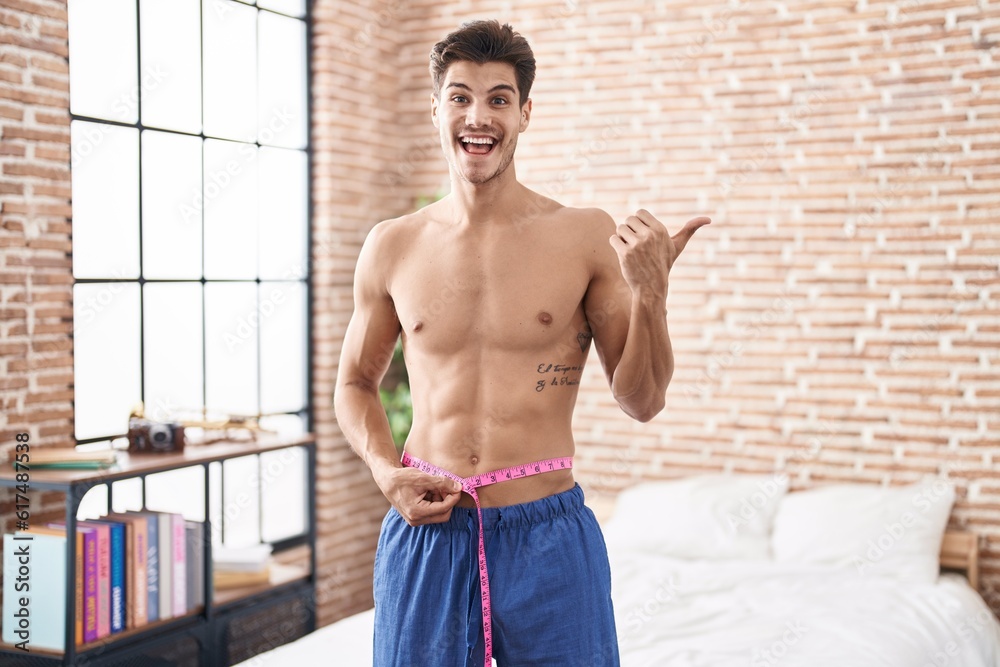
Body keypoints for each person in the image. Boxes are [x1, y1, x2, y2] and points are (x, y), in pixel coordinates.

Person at [333, 19, 711, 667]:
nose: (478, 116)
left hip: (548, 539)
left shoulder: (583, 236)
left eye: (498, 98)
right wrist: (382, 470)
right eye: (460, 96)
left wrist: (653, 296)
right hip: (428, 534)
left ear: (525, 113)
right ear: (436, 108)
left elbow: (643, 401)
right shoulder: (391, 245)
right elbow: (354, 384)